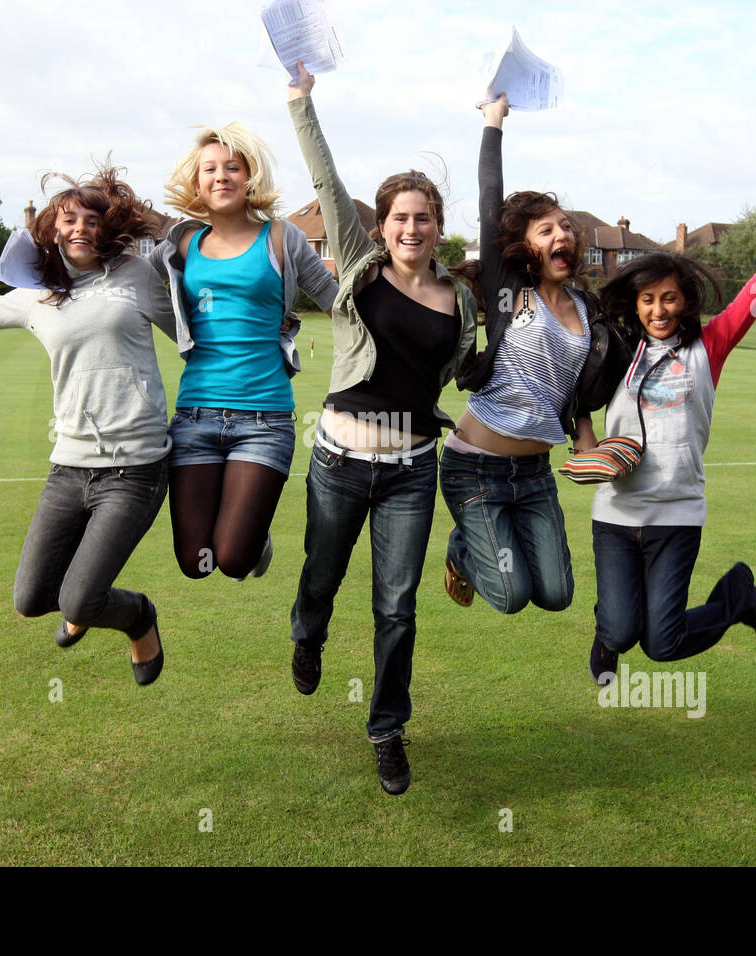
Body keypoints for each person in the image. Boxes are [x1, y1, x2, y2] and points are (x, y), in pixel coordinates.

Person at [0, 167, 174, 686]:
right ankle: (107, 608)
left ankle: (138, 618)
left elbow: (191, 333)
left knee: (80, 598)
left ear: (106, 228)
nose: (80, 229)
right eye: (68, 220)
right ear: (50, 230)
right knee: (30, 600)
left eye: (92, 220)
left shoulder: (135, 275)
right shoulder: (36, 296)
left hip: (134, 469)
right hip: (68, 468)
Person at [286, 63, 478, 795]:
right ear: (382, 225)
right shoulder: (361, 272)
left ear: (436, 227)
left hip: (409, 471)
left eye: (423, 217)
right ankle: (308, 635)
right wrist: (302, 100)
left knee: (397, 605)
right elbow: (327, 179)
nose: (411, 227)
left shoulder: (458, 301)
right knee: (321, 578)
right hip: (339, 460)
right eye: (400, 216)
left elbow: (470, 375)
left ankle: (387, 728)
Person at [586, 163, 756, 684]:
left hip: (677, 513)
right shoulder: (614, 348)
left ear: (684, 300)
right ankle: (608, 637)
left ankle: (742, 599)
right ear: (635, 305)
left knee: (662, 645)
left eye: (668, 298)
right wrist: (590, 446)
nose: (659, 309)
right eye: (647, 300)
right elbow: (574, 399)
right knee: (619, 631)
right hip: (616, 513)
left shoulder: (711, 346)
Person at [443, 91, 626, 615]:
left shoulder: (588, 308)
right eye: (546, 229)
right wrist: (494, 124)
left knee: (555, 595)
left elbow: (577, 389)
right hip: (474, 467)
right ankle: (462, 548)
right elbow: (488, 198)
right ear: (525, 244)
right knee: (510, 594)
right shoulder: (509, 291)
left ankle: (484, 542)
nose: (561, 234)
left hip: (537, 474)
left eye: (566, 226)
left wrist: (586, 438)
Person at [154, 124, 337, 581]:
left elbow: (337, 303)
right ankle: (244, 524)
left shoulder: (281, 237)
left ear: (250, 178)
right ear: (197, 184)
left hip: (264, 419)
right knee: (196, 563)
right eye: (210, 170)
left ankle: (251, 536)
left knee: (234, 559)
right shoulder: (180, 245)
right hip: (194, 416)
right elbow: (127, 283)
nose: (221, 177)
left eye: (233, 168)